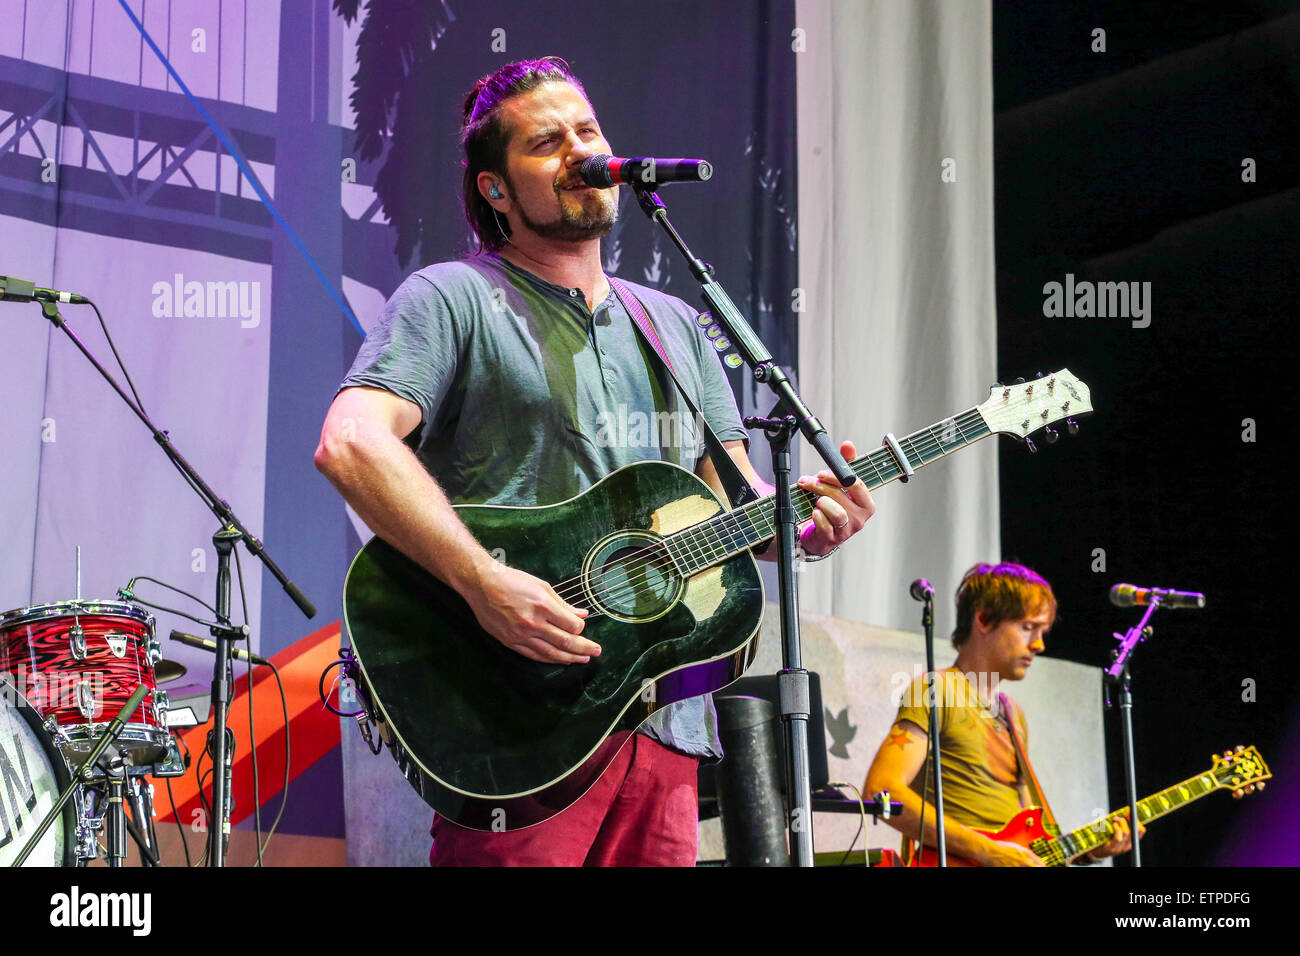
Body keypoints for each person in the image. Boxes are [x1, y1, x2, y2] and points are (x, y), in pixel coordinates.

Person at [314, 56, 876, 866]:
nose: (581, 152)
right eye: (547, 142)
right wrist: (485, 582)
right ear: (495, 190)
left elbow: (729, 504)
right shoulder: (452, 299)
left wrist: (805, 520)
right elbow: (352, 440)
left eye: (588, 131)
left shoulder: (677, 326)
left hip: (666, 724)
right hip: (518, 722)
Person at [864, 562, 1139, 866]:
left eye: (1042, 631)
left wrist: (1092, 849)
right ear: (983, 619)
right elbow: (882, 789)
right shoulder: (936, 690)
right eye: (1027, 627)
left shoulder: (1014, 715)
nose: (1038, 644)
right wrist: (987, 851)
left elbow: (1025, 843)